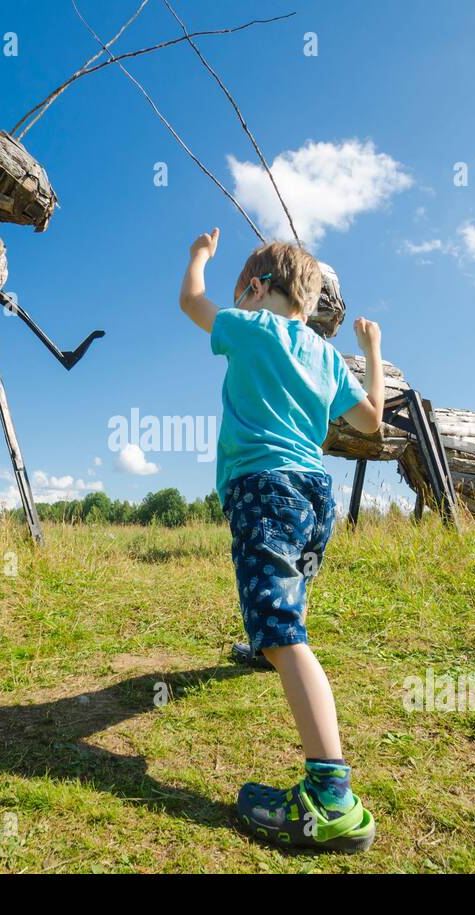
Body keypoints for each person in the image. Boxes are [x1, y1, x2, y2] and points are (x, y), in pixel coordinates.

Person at [179, 227, 386, 851]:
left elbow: (191, 302)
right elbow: (372, 422)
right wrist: (372, 350)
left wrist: (200, 257)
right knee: (283, 598)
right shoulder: (326, 355)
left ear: (256, 288)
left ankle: (332, 798)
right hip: (313, 492)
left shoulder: (252, 328)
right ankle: (265, 642)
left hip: (263, 487)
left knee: (284, 632)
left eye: (243, 288)